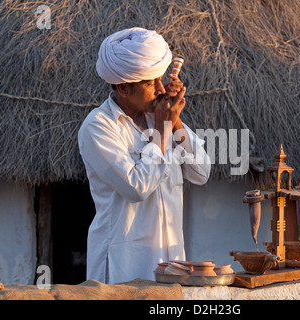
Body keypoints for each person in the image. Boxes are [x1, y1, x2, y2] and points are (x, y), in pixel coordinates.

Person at [78, 27, 211, 284]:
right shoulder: (98, 127)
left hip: (172, 262)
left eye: (161, 79)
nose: (162, 89)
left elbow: (201, 173)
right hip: (124, 265)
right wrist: (162, 129)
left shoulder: (161, 117)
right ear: (124, 88)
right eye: (151, 83)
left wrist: (176, 122)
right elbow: (137, 187)